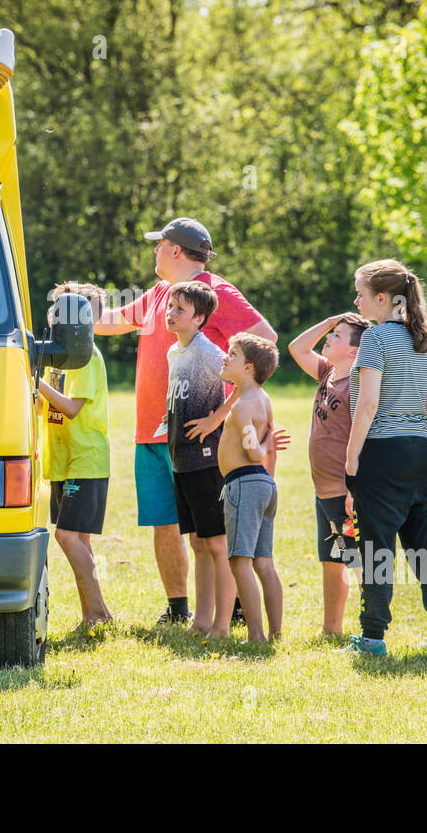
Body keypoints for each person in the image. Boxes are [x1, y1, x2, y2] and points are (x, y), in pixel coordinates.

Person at [93, 217, 277, 626]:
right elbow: (112, 321)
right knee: (165, 521)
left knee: (208, 532)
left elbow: (264, 343)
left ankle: (230, 610)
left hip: (200, 436)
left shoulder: (216, 291)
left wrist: (221, 415)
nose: (154, 251)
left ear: (175, 250)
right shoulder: (161, 294)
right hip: (153, 432)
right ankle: (179, 608)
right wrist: (74, 309)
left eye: (159, 245)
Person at [342, 260, 427, 655]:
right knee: (425, 545)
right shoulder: (421, 339)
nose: (355, 300)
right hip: (417, 450)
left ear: (382, 299)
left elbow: (368, 403)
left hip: (381, 450)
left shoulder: (376, 339)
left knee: (376, 549)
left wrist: (352, 458)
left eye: (360, 293)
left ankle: (372, 638)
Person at [288, 312, 371, 636]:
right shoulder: (327, 373)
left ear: (353, 351)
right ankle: (331, 628)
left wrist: (355, 488)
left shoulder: (357, 387)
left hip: (343, 490)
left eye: (338, 336)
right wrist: (329, 321)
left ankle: (372, 626)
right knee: (331, 559)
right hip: (323, 490)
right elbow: (297, 348)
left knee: (358, 559)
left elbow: (365, 440)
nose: (329, 339)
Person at [38, 282, 114, 629]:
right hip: (64, 460)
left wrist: (35, 379)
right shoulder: (61, 356)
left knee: (66, 536)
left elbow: (69, 408)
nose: (53, 316)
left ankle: (98, 613)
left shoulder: (86, 357)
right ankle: (94, 615)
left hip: (86, 459)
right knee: (78, 539)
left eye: (61, 311)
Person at [164, 281, 234, 637]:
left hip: (207, 460)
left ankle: (223, 623)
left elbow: (249, 382)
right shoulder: (174, 353)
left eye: (180, 309)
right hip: (181, 459)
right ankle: (201, 620)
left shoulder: (208, 352)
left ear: (200, 318)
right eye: (171, 305)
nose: (171, 313)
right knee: (197, 542)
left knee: (216, 543)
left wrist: (215, 419)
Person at [218, 332, 283, 643]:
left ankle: (255, 635)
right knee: (263, 562)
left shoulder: (242, 406)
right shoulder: (264, 397)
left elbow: (255, 450)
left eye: (232, 354)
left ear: (248, 368)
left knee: (239, 561)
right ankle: (275, 632)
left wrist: (264, 444)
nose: (225, 357)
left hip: (244, 484)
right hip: (263, 484)